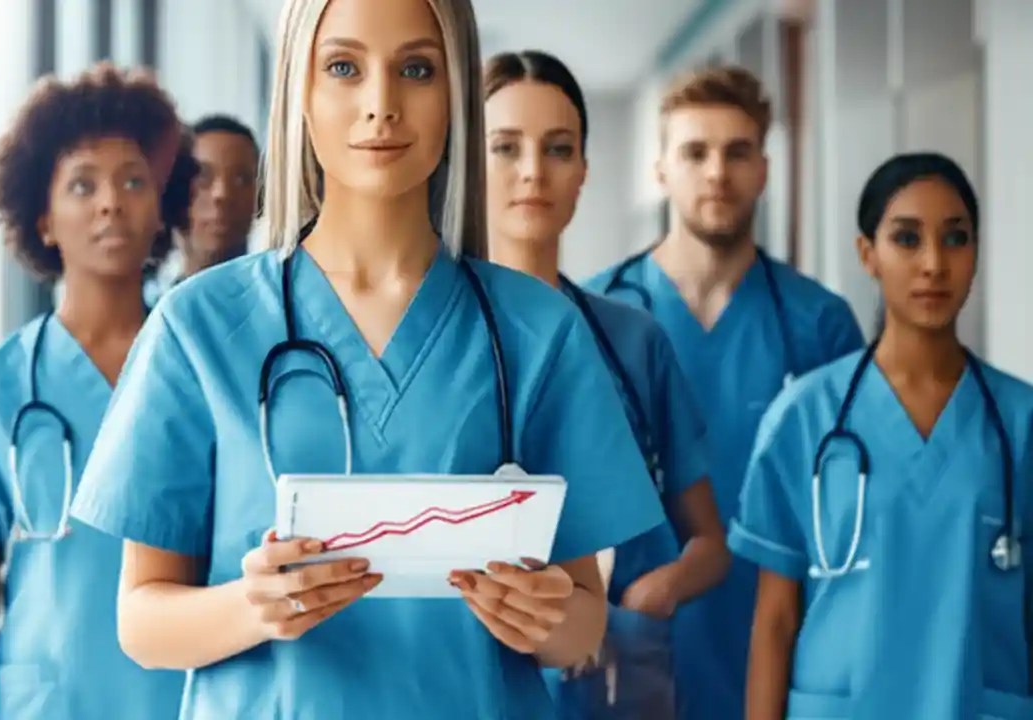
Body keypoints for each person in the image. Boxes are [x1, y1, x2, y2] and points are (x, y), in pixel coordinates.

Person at [68, 0, 665, 718]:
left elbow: (581, 628)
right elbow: (142, 622)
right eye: (344, 68)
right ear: (301, 94)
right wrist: (253, 607)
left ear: (456, 98)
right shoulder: (199, 326)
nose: (381, 106)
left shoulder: (538, 331)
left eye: (416, 69)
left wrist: (545, 618)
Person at [0, 64, 194, 719]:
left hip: (182, 696)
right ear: (41, 218)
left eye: (134, 180)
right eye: (82, 184)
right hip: (51, 701)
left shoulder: (199, 370)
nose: (110, 202)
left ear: (162, 209)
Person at [584, 65, 865, 719]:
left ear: (764, 169)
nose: (717, 172)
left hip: (773, 645)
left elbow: (851, 513)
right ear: (660, 169)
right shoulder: (597, 312)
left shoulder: (819, 324)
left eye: (737, 152)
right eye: (695, 152)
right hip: (632, 643)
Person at [732, 152, 1033, 719]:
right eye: (906, 238)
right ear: (867, 254)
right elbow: (774, 621)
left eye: (955, 238)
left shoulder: (1020, 422)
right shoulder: (805, 417)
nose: (933, 264)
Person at [484, 50, 730, 719]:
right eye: (505, 147)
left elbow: (708, 542)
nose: (534, 170)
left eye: (558, 148)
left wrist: (651, 594)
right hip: (481, 675)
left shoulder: (632, 340)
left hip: (619, 682)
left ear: (585, 169)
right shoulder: (428, 338)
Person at [152, 114, 260, 289]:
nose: (222, 194)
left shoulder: (282, 308)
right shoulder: (145, 308)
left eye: (241, 179)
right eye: (203, 177)